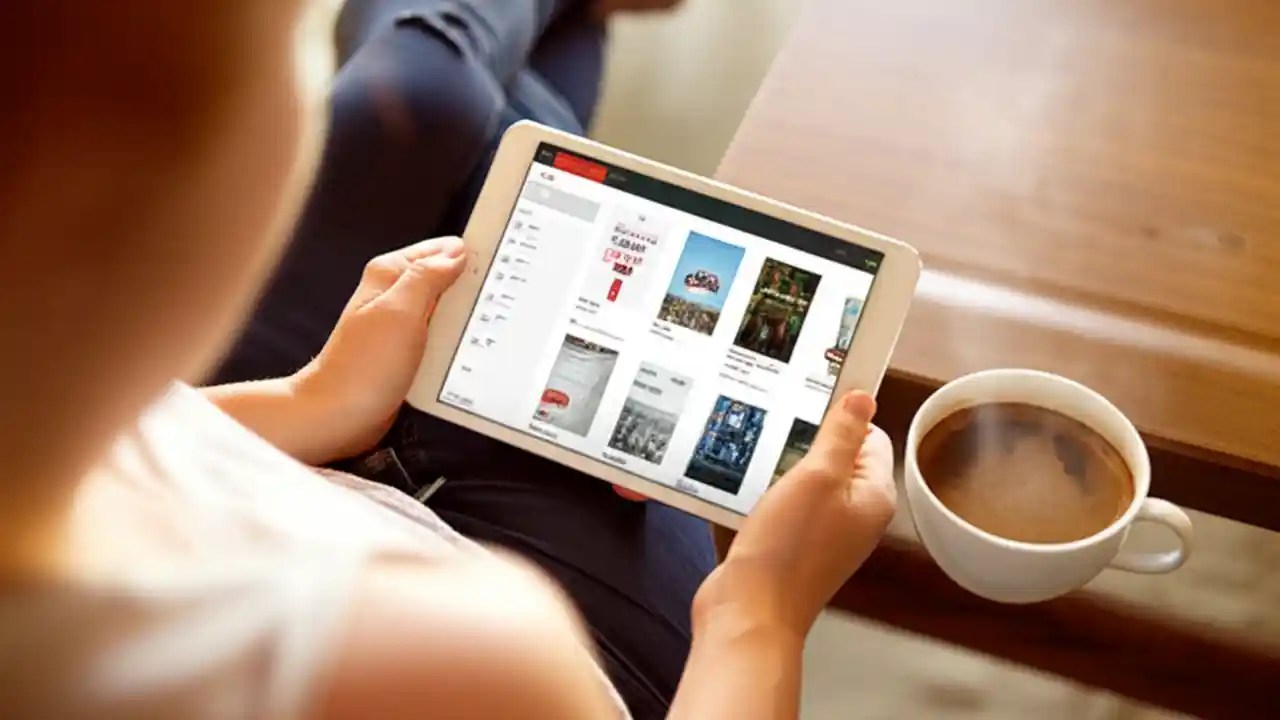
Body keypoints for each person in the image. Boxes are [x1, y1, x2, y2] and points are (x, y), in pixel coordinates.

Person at [0, 0, 896, 718]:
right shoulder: (469, 659)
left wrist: (304, 402)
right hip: (571, 639)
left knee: (477, 129)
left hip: (328, 471)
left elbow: (115, 446)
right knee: (445, 104)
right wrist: (761, 615)